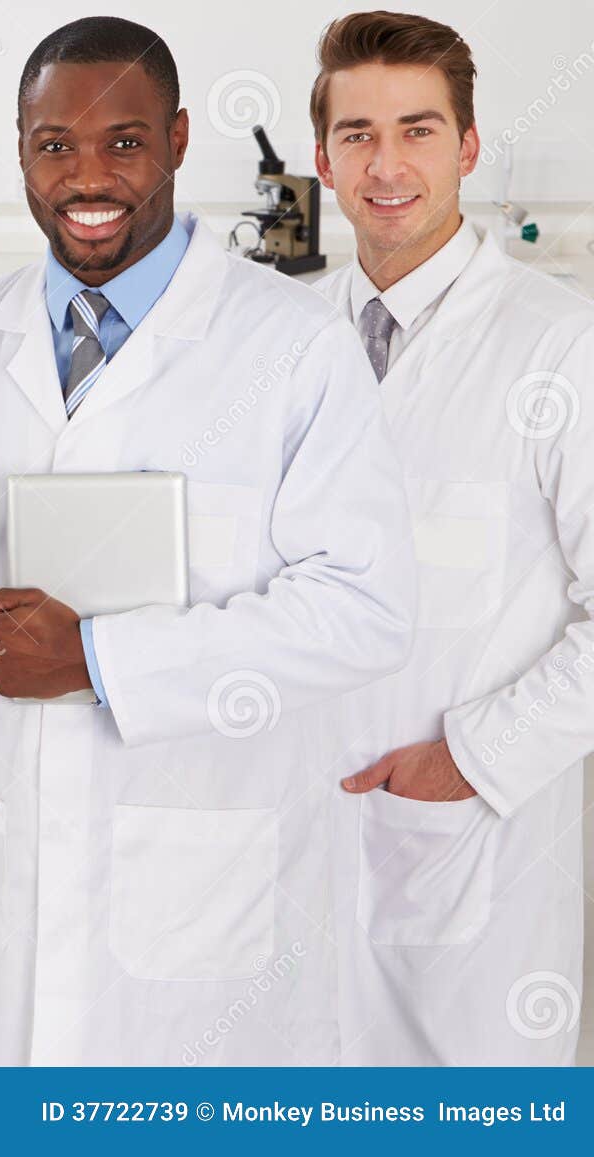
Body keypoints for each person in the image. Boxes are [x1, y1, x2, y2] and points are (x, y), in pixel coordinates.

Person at [0, 16, 418, 1065]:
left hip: (204, 888)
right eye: (54, 146)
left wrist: (96, 658)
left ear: (177, 140)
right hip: (2, 876)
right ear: (21, 150)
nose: (88, 175)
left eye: (123, 142)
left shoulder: (291, 345)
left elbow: (365, 607)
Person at [312, 11, 591, 1064]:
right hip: (288, 847)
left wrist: (468, 759)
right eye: (356, 134)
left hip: (469, 853)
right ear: (322, 157)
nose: (386, 164)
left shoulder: (557, 346)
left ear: (467, 147)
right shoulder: (280, 339)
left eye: (418, 130)